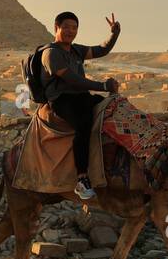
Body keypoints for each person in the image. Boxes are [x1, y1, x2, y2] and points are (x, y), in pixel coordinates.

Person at [42, 12, 121, 200]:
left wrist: (114, 34)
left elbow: (102, 50)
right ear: (56, 28)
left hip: (80, 96)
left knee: (113, 107)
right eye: (67, 27)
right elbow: (73, 80)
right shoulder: (51, 54)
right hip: (62, 99)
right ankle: (82, 178)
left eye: (75, 27)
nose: (71, 31)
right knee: (84, 124)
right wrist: (102, 86)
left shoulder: (75, 50)